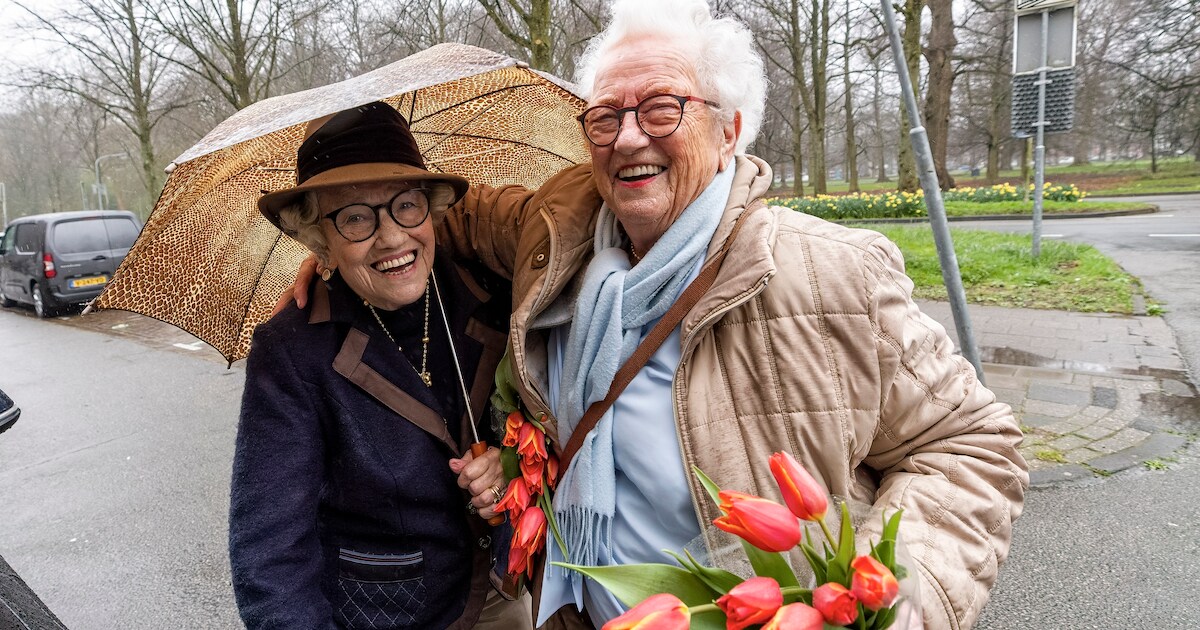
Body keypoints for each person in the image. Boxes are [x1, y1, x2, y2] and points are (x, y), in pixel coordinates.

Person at [291, 2, 1028, 627]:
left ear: (731, 128)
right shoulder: (555, 231)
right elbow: (452, 221)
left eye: (662, 107)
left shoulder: (832, 272)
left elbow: (974, 448)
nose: (629, 137)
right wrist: (347, 247)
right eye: (605, 116)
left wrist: (894, 600)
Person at [229, 102, 532, 630]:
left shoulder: (497, 295)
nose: (392, 237)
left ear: (432, 210)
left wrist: (507, 467)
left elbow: (550, 418)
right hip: (387, 615)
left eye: (406, 206)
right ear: (320, 239)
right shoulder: (292, 352)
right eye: (355, 218)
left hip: (504, 590)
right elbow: (271, 553)